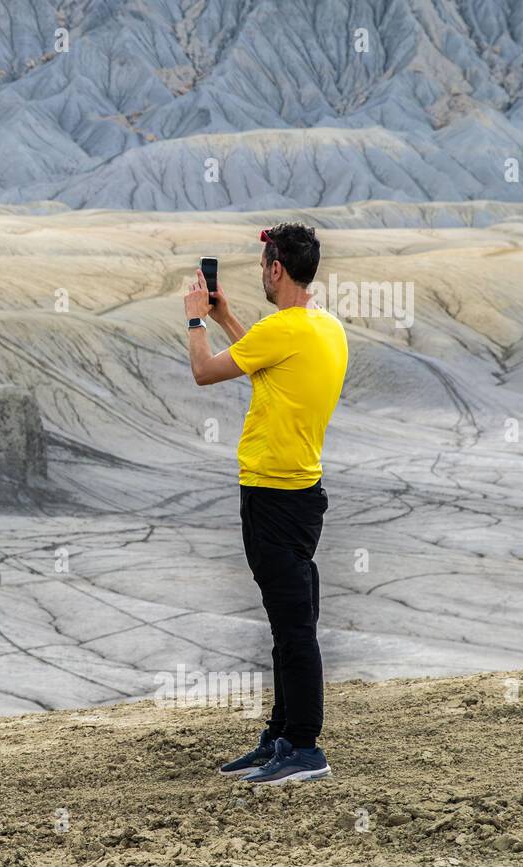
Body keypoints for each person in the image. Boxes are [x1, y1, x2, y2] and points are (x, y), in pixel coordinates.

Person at [181, 222, 349, 785]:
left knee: (293, 627)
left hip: (273, 498)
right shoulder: (323, 327)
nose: (261, 272)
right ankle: (281, 736)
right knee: (290, 622)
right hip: (303, 494)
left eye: (263, 264)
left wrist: (195, 318)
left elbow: (206, 372)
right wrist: (228, 316)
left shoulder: (284, 331)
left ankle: (304, 747)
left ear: (276, 268)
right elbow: (266, 356)